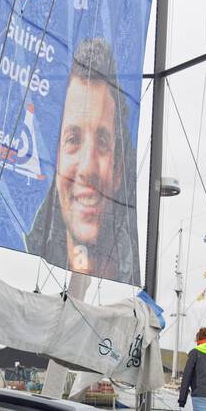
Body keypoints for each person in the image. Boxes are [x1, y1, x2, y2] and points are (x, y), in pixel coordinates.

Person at [25, 37, 139, 283]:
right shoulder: (23, 268)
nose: (87, 167)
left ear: (118, 168)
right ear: (56, 159)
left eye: (102, 142)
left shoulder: (127, 294)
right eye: (73, 139)